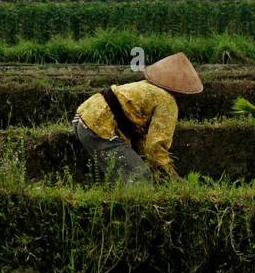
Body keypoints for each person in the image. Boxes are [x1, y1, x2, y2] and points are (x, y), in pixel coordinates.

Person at [72, 52, 203, 185]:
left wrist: (156, 170)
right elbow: (155, 147)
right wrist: (172, 177)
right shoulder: (167, 102)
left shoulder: (145, 86)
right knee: (139, 177)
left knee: (124, 177)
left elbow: (142, 143)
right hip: (100, 127)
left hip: (83, 119)